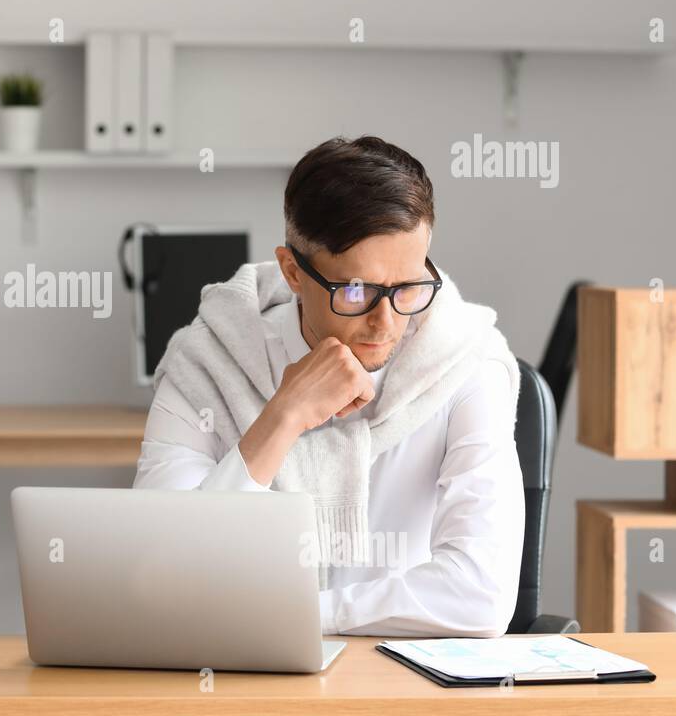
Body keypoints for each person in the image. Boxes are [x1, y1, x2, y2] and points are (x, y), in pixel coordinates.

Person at [135, 136, 525, 638]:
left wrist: (299, 615)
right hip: (237, 676)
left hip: (399, 679)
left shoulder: (467, 364)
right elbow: (158, 571)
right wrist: (283, 417)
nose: (386, 323)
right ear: (293, 272)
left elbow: (481, 595)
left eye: (408, 286)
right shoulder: (205, 363)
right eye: (357, 291)